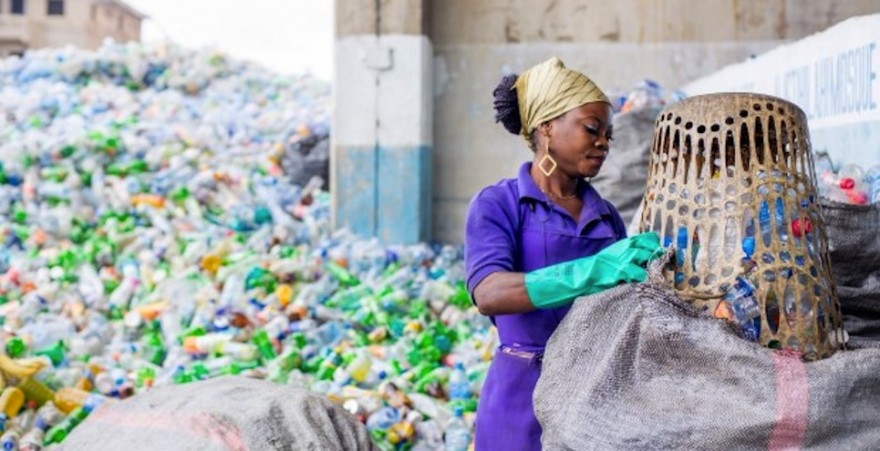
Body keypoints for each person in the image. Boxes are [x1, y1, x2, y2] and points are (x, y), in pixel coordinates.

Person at [464, 57, 662, 449]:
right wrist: (594, 271)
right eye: (592, 129)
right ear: (548, 127)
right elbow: (489, 293)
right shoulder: (500, 204)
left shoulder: (606, 217)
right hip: (521, 396)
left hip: (592, 397)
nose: (603, 141)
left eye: (608, 133)